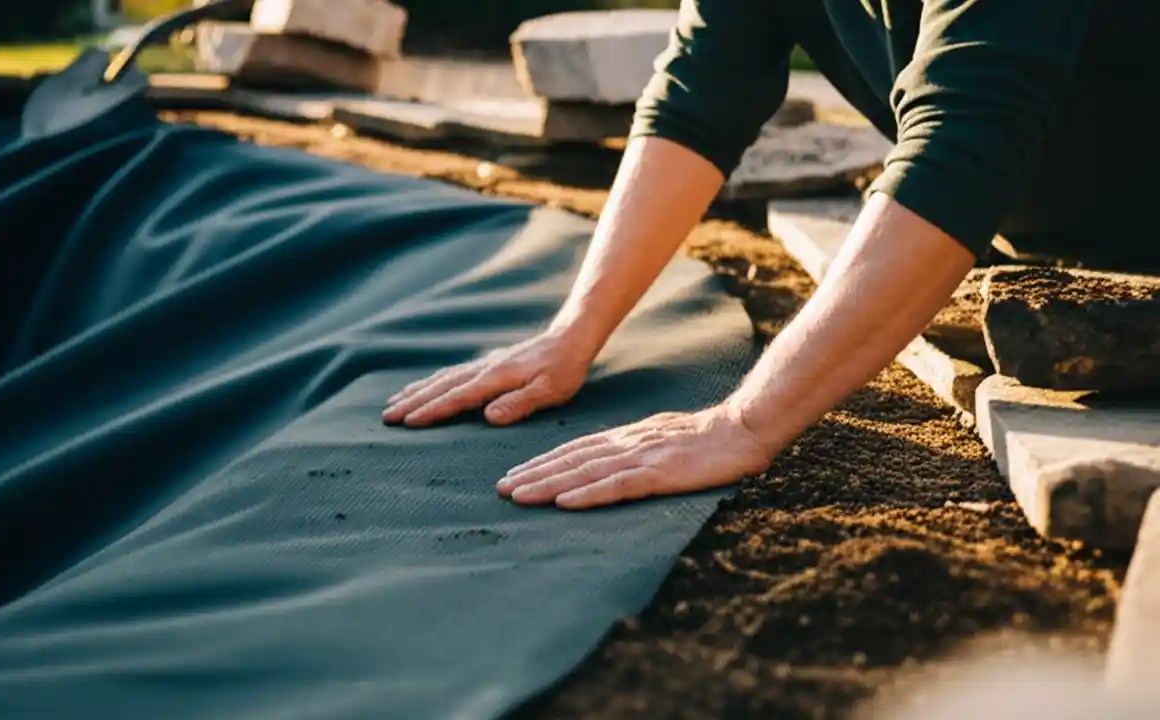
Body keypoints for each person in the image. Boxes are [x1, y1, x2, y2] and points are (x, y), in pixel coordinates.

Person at [382, 0, 1157, 510]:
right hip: (1051, 232)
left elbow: (968, 137)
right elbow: (699, 91)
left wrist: (745, 424)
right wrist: (574, 334)